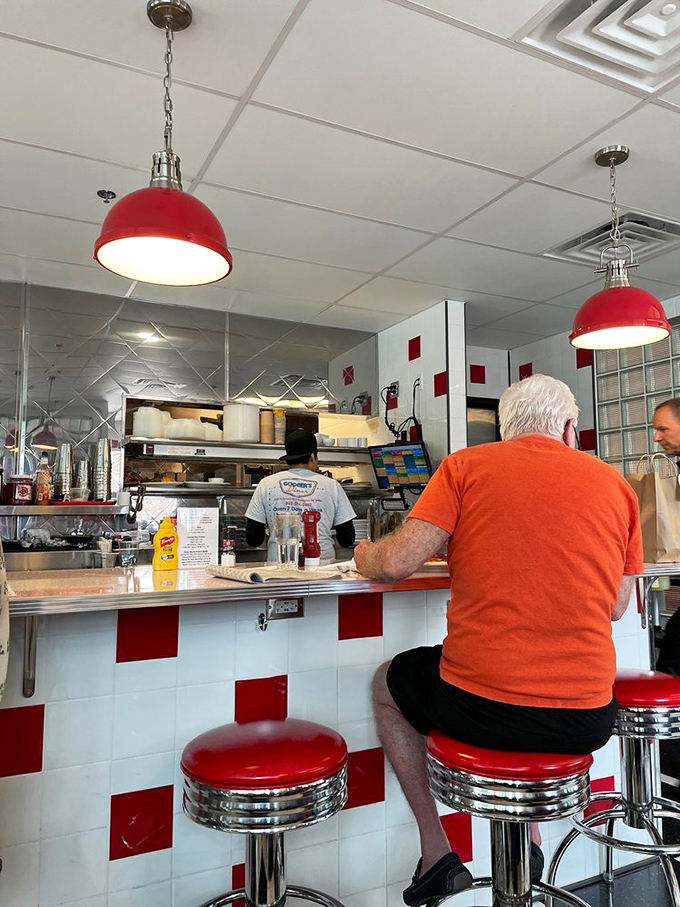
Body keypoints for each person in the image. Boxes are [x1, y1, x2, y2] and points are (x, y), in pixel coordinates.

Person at [354, 374, 643, 907]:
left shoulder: (466, 467)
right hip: (587, 717)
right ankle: (528, 835)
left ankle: (436, 849)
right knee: (513, 714)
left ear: (505, 432)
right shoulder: (617, 486)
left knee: (386, 684)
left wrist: (362, 554)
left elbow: (394, 564)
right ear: (570, 428)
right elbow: (619, 604)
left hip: (479, 707)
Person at [245, 428, 356, 561]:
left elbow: (253, 538)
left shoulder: (266, 484)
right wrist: (324, 543)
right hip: (322, 566)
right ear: (312, 456)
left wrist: (277, 544)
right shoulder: (332, 486)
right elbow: (347, 538)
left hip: (279, 566)